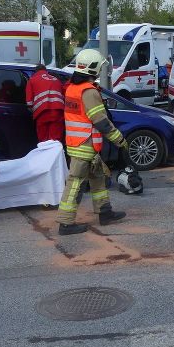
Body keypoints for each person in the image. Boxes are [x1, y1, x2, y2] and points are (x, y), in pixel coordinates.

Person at [57, 49, 130, 235]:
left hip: (79, 143)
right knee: (75, 184)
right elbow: (101, 122)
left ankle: (105, 212)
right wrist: (119, 139)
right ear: (93, 68)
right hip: (85, 145)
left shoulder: (72, 88)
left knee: (98, 179)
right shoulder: (88, 91)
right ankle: (66, 223)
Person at [25, 64, 65, 143]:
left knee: (43, 139)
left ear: (36, 71)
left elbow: (29, 102)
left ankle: (45, 150)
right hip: (58, 111)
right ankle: (55, 150)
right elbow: (63, 94)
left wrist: (32, 111)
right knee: (55, 139)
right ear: (46, 71)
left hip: (42, 112)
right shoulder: (56, 79)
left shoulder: (32, 80)